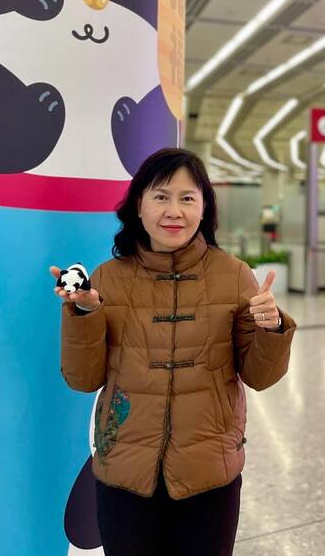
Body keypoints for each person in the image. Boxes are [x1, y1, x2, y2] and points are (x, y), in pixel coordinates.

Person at [51, 148, 296, 555]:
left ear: (204, 209)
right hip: (125, 471)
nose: (174, 210)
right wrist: (85, 312)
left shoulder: (232, 274)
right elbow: (82, 379)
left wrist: (271, 328)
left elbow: (260, 377)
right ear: (139, 206)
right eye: (161, 196)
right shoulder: (108, 278)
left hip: (209, 472)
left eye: (187, 198)